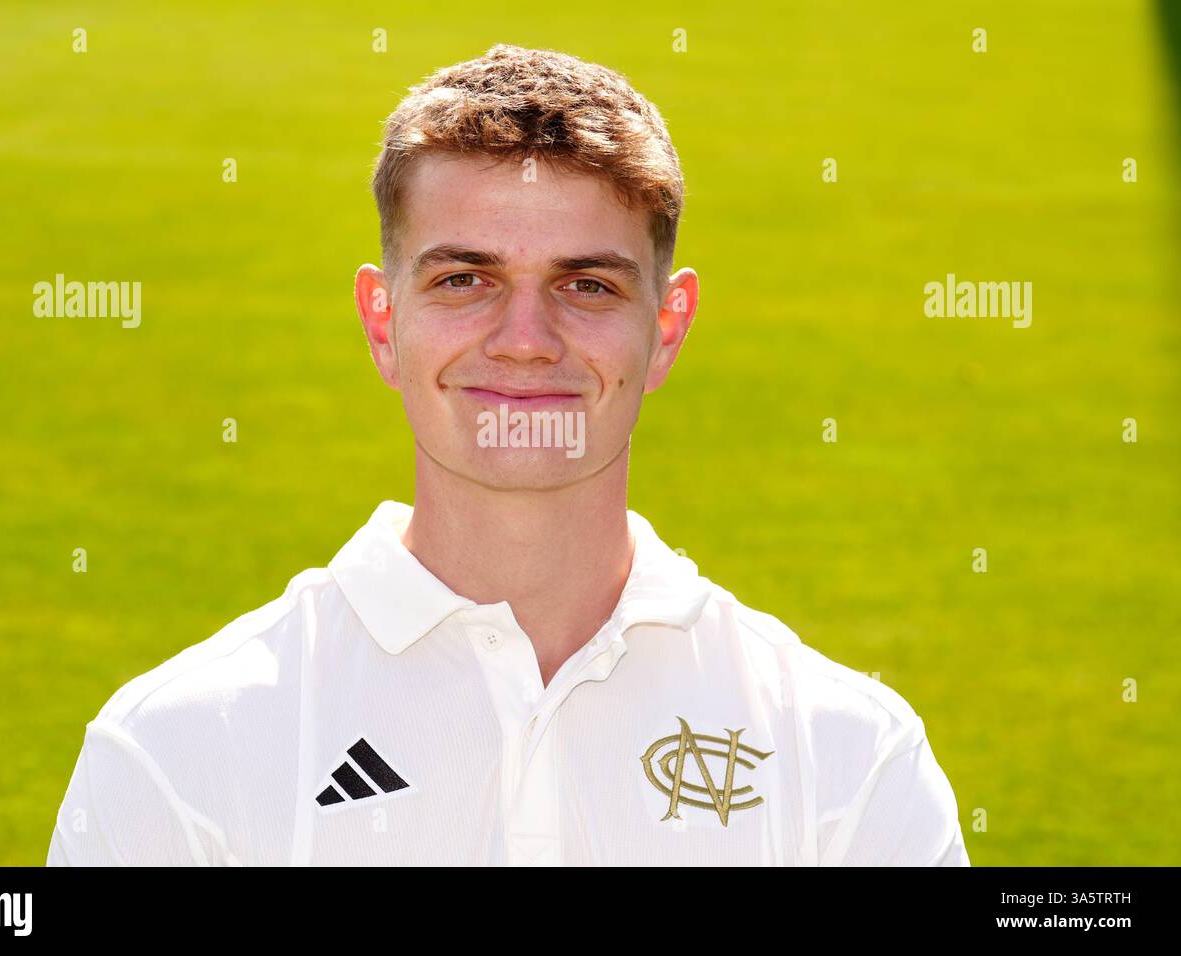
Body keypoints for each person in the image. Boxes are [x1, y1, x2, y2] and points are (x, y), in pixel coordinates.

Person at [47, 43, 970, 866]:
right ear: (382, 321)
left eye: (587, 284)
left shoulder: (849, 759)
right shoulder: (178, 752)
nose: (525, 340)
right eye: (464, 279)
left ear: (668, 325)